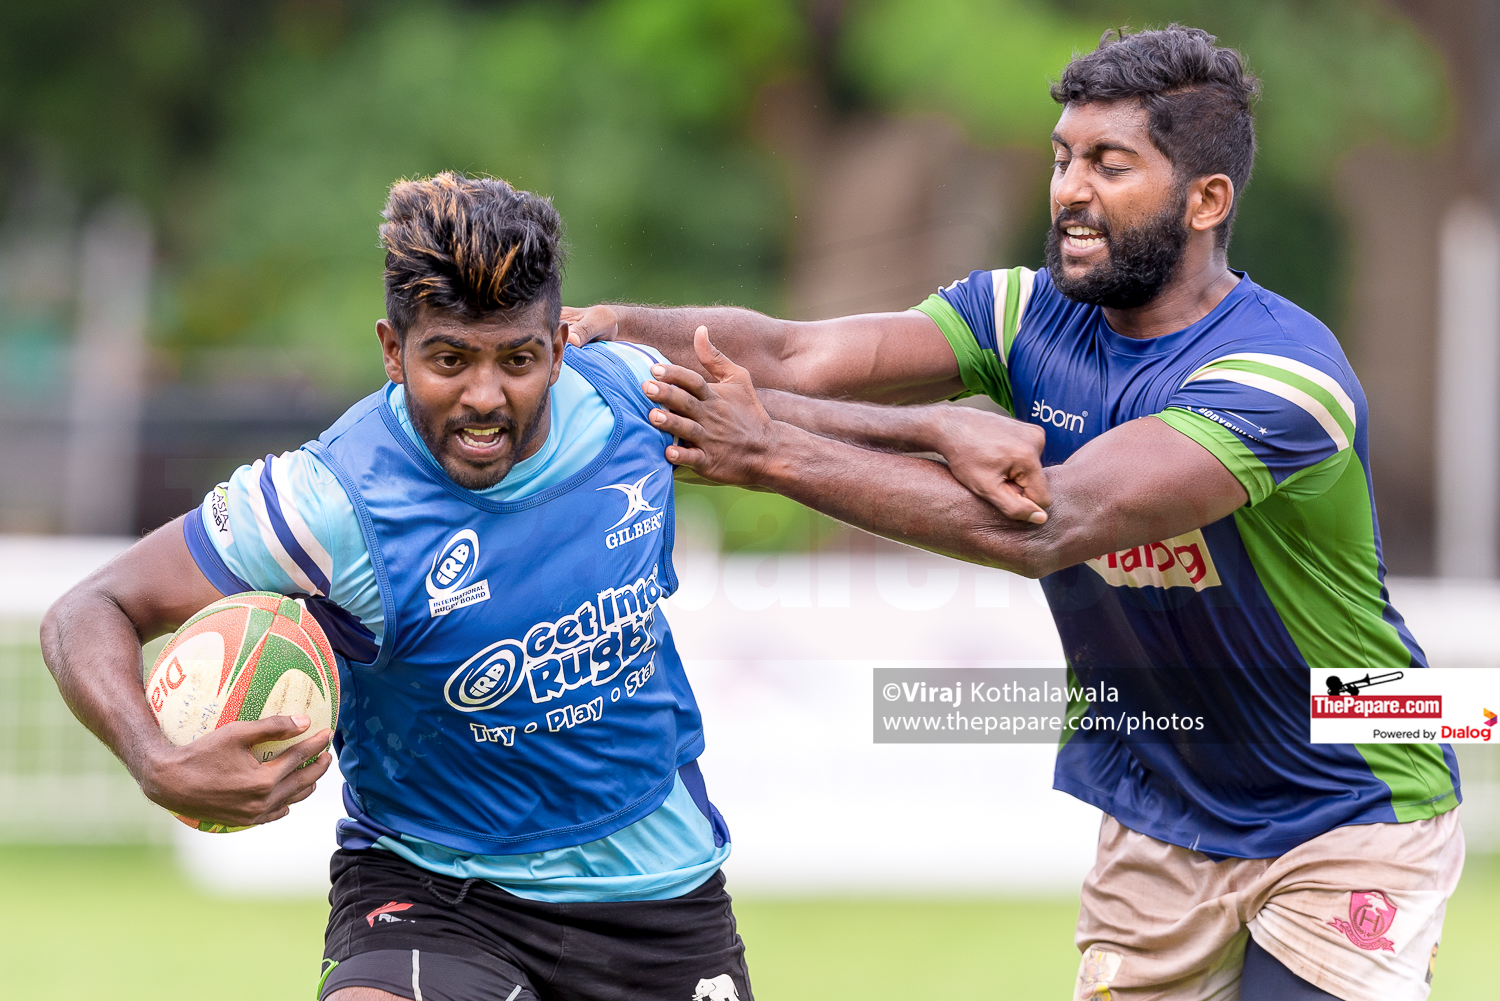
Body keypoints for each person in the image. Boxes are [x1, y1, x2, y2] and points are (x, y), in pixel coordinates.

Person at [562, 25, 1461, 1001]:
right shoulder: (1023, 313)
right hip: (1158, 805)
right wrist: (608, 329)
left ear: (1207, 200)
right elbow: (791, 355)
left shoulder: (1279, 375)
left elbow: (1052, 522)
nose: (1070, 187)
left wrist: (773, 451)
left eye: (1111, 164)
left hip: (1347, 803)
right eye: (1063, 158)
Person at [41, 173, 751, 1001]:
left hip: (656, 893)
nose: (484, 397)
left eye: (518, 360)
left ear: (560, 347)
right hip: (434, 892)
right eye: (449, 358)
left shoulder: (640, 401)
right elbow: (88, 608)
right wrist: (153, 757)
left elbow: (809, 401)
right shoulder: (328, 498)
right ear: (392, 349)